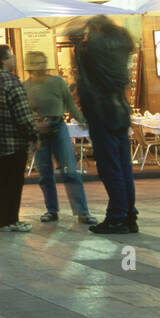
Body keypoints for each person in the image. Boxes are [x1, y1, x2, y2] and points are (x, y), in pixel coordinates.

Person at [71, 15, 138, 235]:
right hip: (119, 111)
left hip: (102, 112)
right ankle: (128, 215)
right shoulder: (119, 46)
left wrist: (78, 44)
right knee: (123, 166)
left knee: (110, 167)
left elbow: (84, 71)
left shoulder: (95, 50)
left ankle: (118, 216)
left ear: (97, 30)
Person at [24, 51, 95, 225]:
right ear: (30, 66)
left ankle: (82, 211)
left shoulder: (57, 82)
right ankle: (52, 210)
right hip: (38, 130)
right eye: (37, 63)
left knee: (70, 170)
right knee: (44, 172)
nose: (41, 66)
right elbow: (24, 111)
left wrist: (82, 120)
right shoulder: (25, 86)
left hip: (58, 126)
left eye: (43, 62)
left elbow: (70, 103)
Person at [0, 44, 38, 233]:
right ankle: (12, 220)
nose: (15, 59)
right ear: (3, 60)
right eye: (12, 56)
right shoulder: (12, 82)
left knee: (0, 185)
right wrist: (34, 135)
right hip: (14, 142)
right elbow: (23, 114)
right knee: (14, 184)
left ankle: (4, 221)